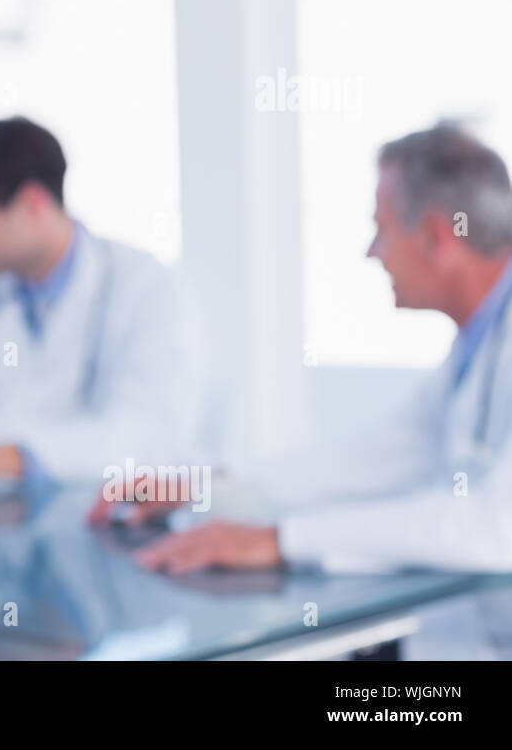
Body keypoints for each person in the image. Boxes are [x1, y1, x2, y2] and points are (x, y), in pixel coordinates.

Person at [110, 123, 512, 659]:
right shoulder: (480, 343)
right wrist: (214, 489)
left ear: (438, 237)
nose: (373, 252)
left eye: (382, 230)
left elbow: (492, 527)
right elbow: (378, 456)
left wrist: (282, 541)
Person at [0, 116, 208, 496]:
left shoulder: (146, 287)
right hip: (1, 525)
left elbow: (151, 437)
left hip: (111, 520)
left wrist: (8, 459)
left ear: (33, 205)